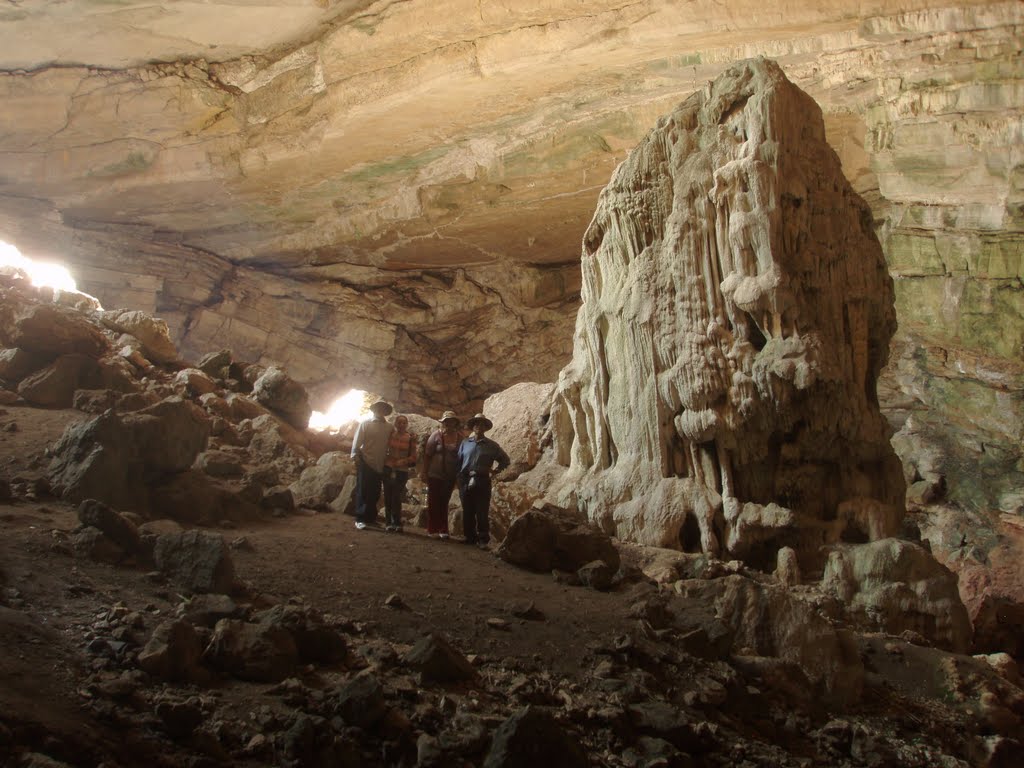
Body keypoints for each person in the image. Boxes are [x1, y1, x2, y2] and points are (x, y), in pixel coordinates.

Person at [456, 413, 510, 549]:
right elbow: (458, 461)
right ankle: (469, 537)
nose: (479, 426)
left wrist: (495, 471)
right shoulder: (464, 443)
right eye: (476, 424)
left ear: (486, 428)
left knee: (481, 510)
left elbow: (505, 460)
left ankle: (483, 540)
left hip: (482, 479)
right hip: (465, 478)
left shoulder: (492, 446)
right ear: (472, 427)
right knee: (467, 509)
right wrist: (458, 478)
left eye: (482, 424)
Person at [350, 400, 394, 530]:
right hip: (366, 461)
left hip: (380, 463)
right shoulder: (365, 424)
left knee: (375, 492)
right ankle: (360, 519)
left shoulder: (389, 427)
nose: (380, 411)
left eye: (383, 409)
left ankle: (370, 518)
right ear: (374, 410)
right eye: (378, 409)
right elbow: (357, 441)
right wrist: (355, 457)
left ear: (386, 412)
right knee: (363, 490)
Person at [420, 410, 462, 539]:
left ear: (455, 423)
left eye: (451, 421)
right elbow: (427, 455)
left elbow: (462, 457)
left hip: (450, 475)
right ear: (443, 422)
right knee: (433, 500)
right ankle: (432, 529)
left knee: (444, 501)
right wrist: (424, 472)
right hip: (435, 473)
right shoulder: (436, 435)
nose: (449, 423)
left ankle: (443, 529)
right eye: (446, 421)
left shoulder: (460, 438)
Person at [382, 414, 417, 532]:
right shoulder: (389, 436)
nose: (401, 424)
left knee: (396, 496)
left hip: (401, 471)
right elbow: (384, 449)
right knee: (388, 495)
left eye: (404, 423)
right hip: (388, 468)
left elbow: (413, 457)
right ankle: (388, 523)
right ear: (395, 423)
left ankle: (396, 522)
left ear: (406, 424)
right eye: (399, 422)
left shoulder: (410, 438)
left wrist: (402, 462)